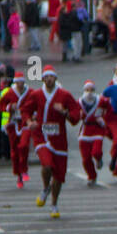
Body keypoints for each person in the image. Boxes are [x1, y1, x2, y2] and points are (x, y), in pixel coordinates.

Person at [20, 66, 81, 216]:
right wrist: (28, 122)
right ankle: (45, 187)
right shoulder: (37, 95)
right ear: (42, 79)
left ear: (55, 78)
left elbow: (76, 114)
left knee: (59, 176)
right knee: (46, 165)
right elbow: (25, 110)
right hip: (42, 136)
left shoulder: (64, 95)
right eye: (46, 77)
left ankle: (54, 204)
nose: (49, 79)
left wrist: (65, 112)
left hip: (59, 139)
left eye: (51, 76)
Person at [0, 71, 31, 188]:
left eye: (21, 82)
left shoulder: (30, 92)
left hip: (25, 123)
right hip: (12, 123)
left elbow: (36, 104)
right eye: (17, 82)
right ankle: (18, 175)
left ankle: (24, 169)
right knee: (14, 151)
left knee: (24, 145)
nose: (20, 85)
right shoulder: (10, 93)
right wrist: (9, 107)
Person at [78, 80, 109, 186]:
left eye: (91, 90)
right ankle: (92, 176)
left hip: (97, 129)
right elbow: (74, 114)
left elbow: (109, 109)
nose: (89, 92)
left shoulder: (101, 100)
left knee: (96, 151)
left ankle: (98, 159)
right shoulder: (79, 102)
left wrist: (104, 119)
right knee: (86, 158)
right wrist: (79, 115)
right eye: (87, 90)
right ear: (84, 90)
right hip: (85, 130)